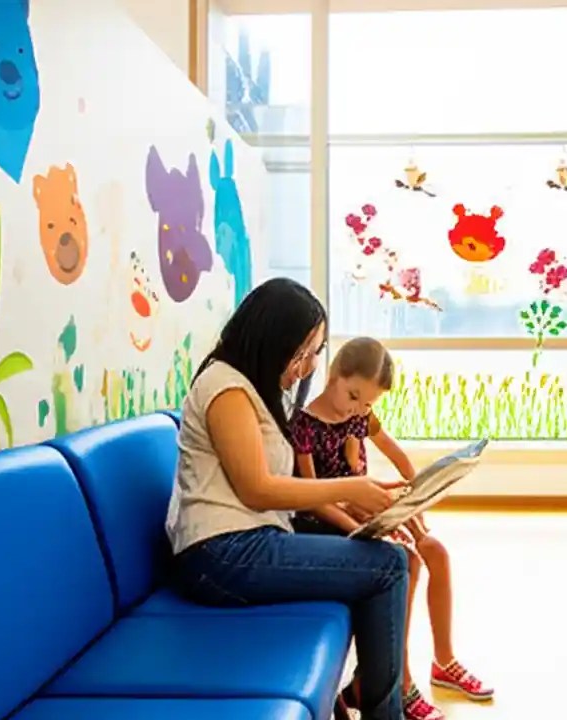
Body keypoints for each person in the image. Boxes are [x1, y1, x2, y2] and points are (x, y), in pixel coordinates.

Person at [166, 278, 411, 720]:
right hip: (221, 555)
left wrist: (360, 508)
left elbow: (279, 488)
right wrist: (349, 488)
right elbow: (256, 489)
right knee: (388, 566)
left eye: (315, 353)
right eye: (303, 353)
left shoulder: (255, 389)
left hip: (246, 544)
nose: (309, 366)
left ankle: (366, 697)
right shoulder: (226, 388)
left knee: (384, 555)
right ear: (273, 339)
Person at [291, 337, 495, 720]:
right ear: (334, 375)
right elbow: (313, 498)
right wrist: (361, 528)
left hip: (366, 509)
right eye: (353, 396)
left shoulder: (359, 417)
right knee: (408, 563)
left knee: (434, 550)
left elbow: (397, 455)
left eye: (368, 404)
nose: (358, 409)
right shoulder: (304, 425)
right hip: (327, 521)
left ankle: (444, 661)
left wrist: (416, 494)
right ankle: (401, 681)